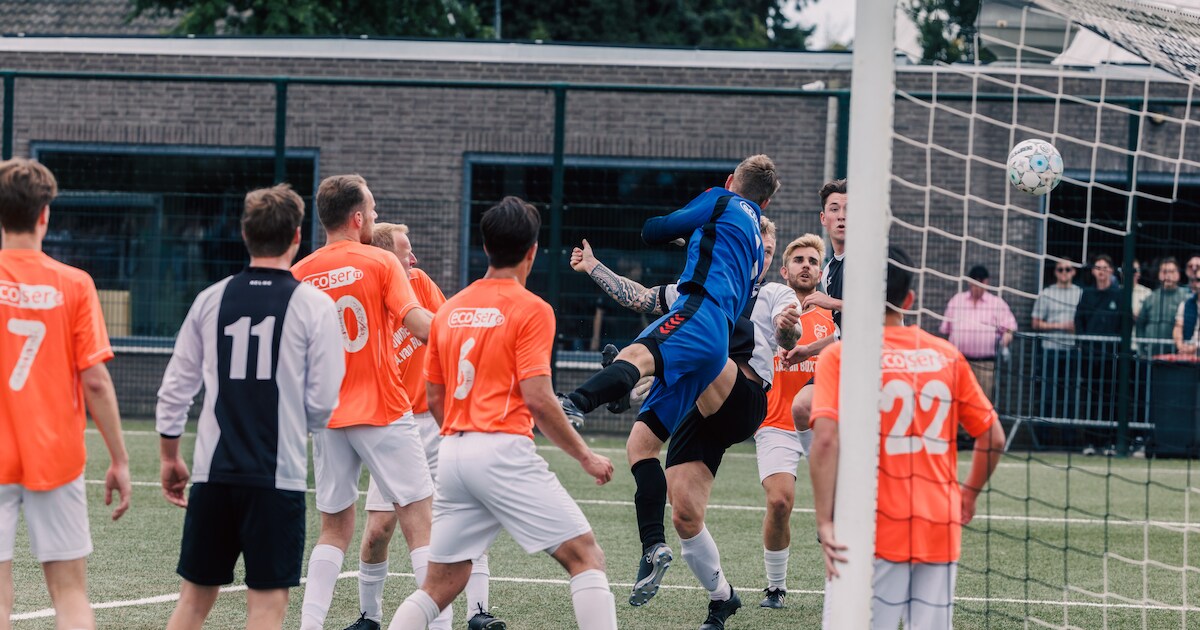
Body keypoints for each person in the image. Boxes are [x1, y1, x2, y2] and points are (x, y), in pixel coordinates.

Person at [560, 155, 778, 610]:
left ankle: (577, 401)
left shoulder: (720, 200)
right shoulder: (753, 247)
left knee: (637, 355)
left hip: (708, 330)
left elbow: (653, 228)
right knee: (641, 446)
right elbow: (643, 293)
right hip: (713, 344)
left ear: (730, 182)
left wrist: (684, 226)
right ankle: (654, 548)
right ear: (768, 201)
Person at [388, 197, 616, 630]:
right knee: (585, 556)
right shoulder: (533, 309)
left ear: (485, 247)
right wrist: (585, 456)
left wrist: (462, 440)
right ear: (532, 251)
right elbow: (539, 399)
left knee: (441, 584)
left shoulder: (448, 310)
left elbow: (434, 398)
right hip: (502, 451)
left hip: (453, 452)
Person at [156, 185, 344, 630]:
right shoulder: (315, 306)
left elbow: (176, 388)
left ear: (244, 233)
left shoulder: (211, 299)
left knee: (193, 603)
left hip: (213, 475)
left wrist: (168, 456)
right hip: (275, 479)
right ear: (298, 237)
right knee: (265, 607)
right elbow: (322, 406)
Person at [809, 246, 1006, 629]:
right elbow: (993, 438)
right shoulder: (947, 355)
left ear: (859, 292)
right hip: (938, 522)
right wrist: (967, 494)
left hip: (870, 525)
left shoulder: (843, 356)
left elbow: (826, 441)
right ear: (910, 299)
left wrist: (824, 521)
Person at [291, 175, 436, 630]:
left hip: (329, 415)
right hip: (383, 409)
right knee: (419, 520)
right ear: (357, 218)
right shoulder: (380, 261)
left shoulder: (299, 272)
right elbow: (417, 324)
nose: (374, 218)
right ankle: (439, 624)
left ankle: (309, 625)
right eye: (372, 212)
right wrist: (471, 331)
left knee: (333, 530)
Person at [0, 158, 132, 630]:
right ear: (44, 215)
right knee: (71, 594)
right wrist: (119, 459)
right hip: (55, 454)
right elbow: (94, 380)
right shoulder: (75, 283)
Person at [347, 223, 494, 630]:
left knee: (462, 512)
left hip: (436, 421)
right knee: (378, 530)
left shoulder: (419, 282)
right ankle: (368, 616)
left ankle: (478, 611)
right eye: (406, 251)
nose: (413, 259)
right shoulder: (362, 299)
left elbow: (447, 329)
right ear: (382, 257)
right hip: (391, 426)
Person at [757, 233, 836, 609]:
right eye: (799, 260)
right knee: (779, 503)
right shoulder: (766, 310)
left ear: (821, 274)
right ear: (784, 270)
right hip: (776, 423)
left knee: (842, 511)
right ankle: (775, 587)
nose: (806, 265)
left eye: (813, 261)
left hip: (824, 427)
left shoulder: (833, 321)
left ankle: (844, 587)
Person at [786, 179, 848, 453]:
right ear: (824, 218)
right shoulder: (833, 267)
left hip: (874, 361)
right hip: (844, 357)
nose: (842, 215)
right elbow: (843, 332)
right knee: (801, 406)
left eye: (849, 209)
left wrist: (831, 301)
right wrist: (808, 349)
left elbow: (881, 314)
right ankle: (821, 472)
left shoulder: (868, 259)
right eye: (834, 209)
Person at [938, 265, 1017, 401]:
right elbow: (946, 329)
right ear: (969, 282)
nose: (977, 287)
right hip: (959, 362)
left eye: (981, 282)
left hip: (985, 364)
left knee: (981, 401)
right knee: (957, 400)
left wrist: (1006, 339)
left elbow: (1010, 326)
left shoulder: (996, 303)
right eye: (974, 282)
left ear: (987, 283)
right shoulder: (957, 300)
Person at [1031, 259, 1083, 424]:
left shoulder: (1080, 293)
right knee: (1048, 392)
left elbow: (1084, 321)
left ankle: (1069, 438)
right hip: (1050, 349)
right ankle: (1043, 437)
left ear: (1074, 271)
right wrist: (1061, 326)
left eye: (1067, 269)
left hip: (1072, 350)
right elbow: (1035, 322)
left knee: (1070, 392)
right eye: (1060, 269)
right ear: (1055, 272)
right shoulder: (1047, 294)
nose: (1064, 272)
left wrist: (1077, 330)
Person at [1137, 257, 1189, 342]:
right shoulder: (1150, 298)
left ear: (1178, 274)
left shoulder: (1186, 298)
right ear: (1159, 274)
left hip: (1176, 352)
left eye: (1172, 272)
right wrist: (1142, 351)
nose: (1168, 275)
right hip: (1151, 352)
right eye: (1164, 272)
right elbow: (1140, 325)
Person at [1174, 275, 1200, 356]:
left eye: (1198, 280)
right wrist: (1180, 346)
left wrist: (1195, 346)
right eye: (1194, 280)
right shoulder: (1185, 304)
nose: (1196, 284)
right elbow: (1178, 327)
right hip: (1187, 356)